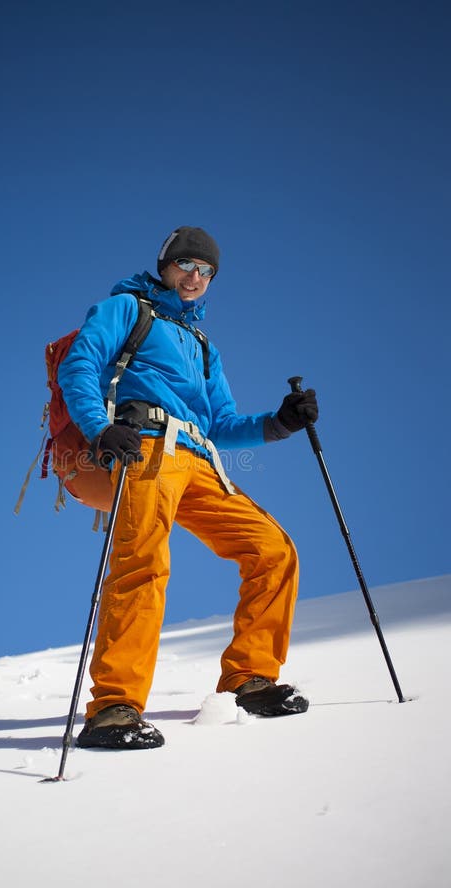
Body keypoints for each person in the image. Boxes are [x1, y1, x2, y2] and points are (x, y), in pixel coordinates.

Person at [58, 226, 318, 750]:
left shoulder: (203, 346)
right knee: (142, 562)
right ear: (165, 265)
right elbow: (79, 364)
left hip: (200, 459)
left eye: (207, 271)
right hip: (146, 448)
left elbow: (220, 421)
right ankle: (114, 706)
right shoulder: (128, 310)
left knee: (273, 551)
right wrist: (100, 427)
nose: (196, 277)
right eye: (186, 265)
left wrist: (280, 423)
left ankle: (249, 679)